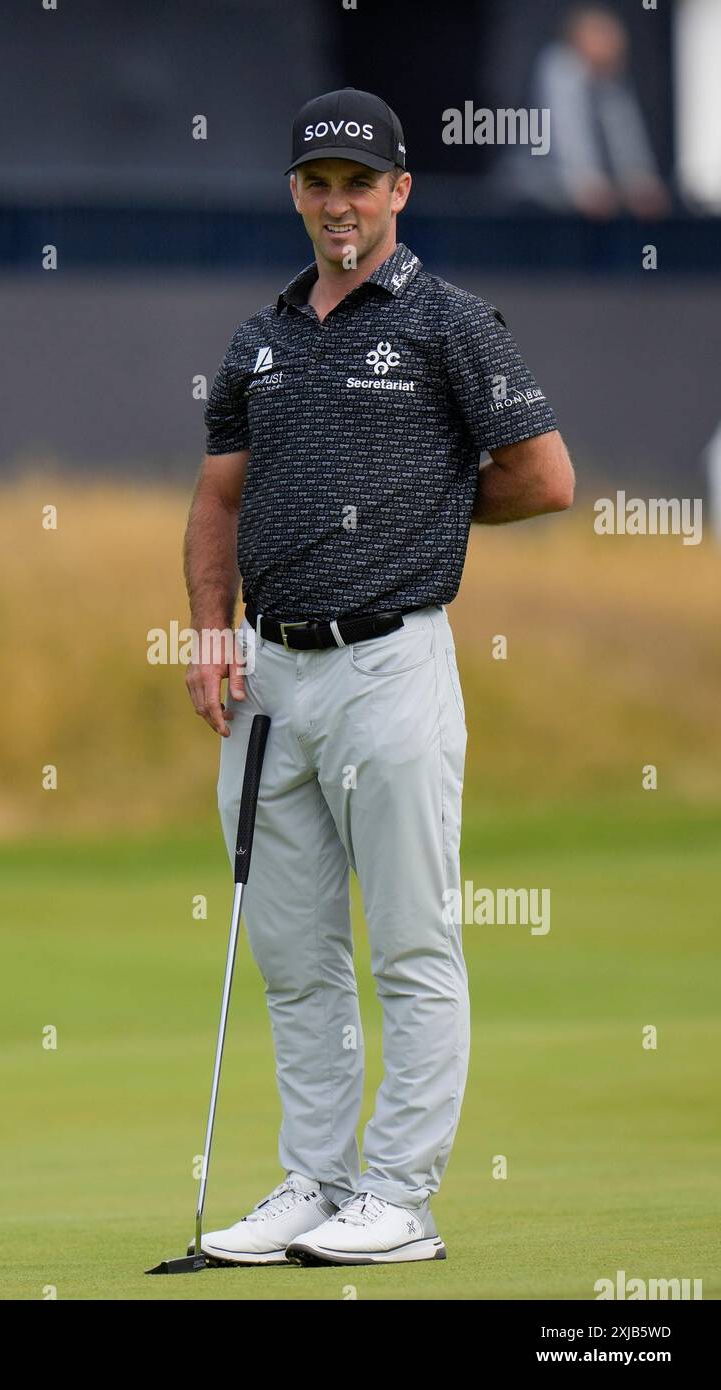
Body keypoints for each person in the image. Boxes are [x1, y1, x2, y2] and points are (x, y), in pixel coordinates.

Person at [183, 88, 574, 1267]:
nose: (337, 203)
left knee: (409, 943)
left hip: (391, 663)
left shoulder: (451, 322)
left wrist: (426, 518)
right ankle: (316, 1178)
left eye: (360, 183)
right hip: (270, 675)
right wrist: (210, 629)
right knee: (293, 956)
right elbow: (217, 499)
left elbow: (544, 477)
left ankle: (399, 1196)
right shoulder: (259, 337)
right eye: (317, 183)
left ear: (399, 191)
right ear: (295, 194)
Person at [504, 4, 670, 219]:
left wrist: (641, 182)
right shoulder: (559, 68)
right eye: (604, 37)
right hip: (530, 202)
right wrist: (587, 183)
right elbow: (567, 133)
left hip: (586, 208)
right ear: (579, 37)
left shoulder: (610, 81)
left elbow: (626, 138)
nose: (614, 45)